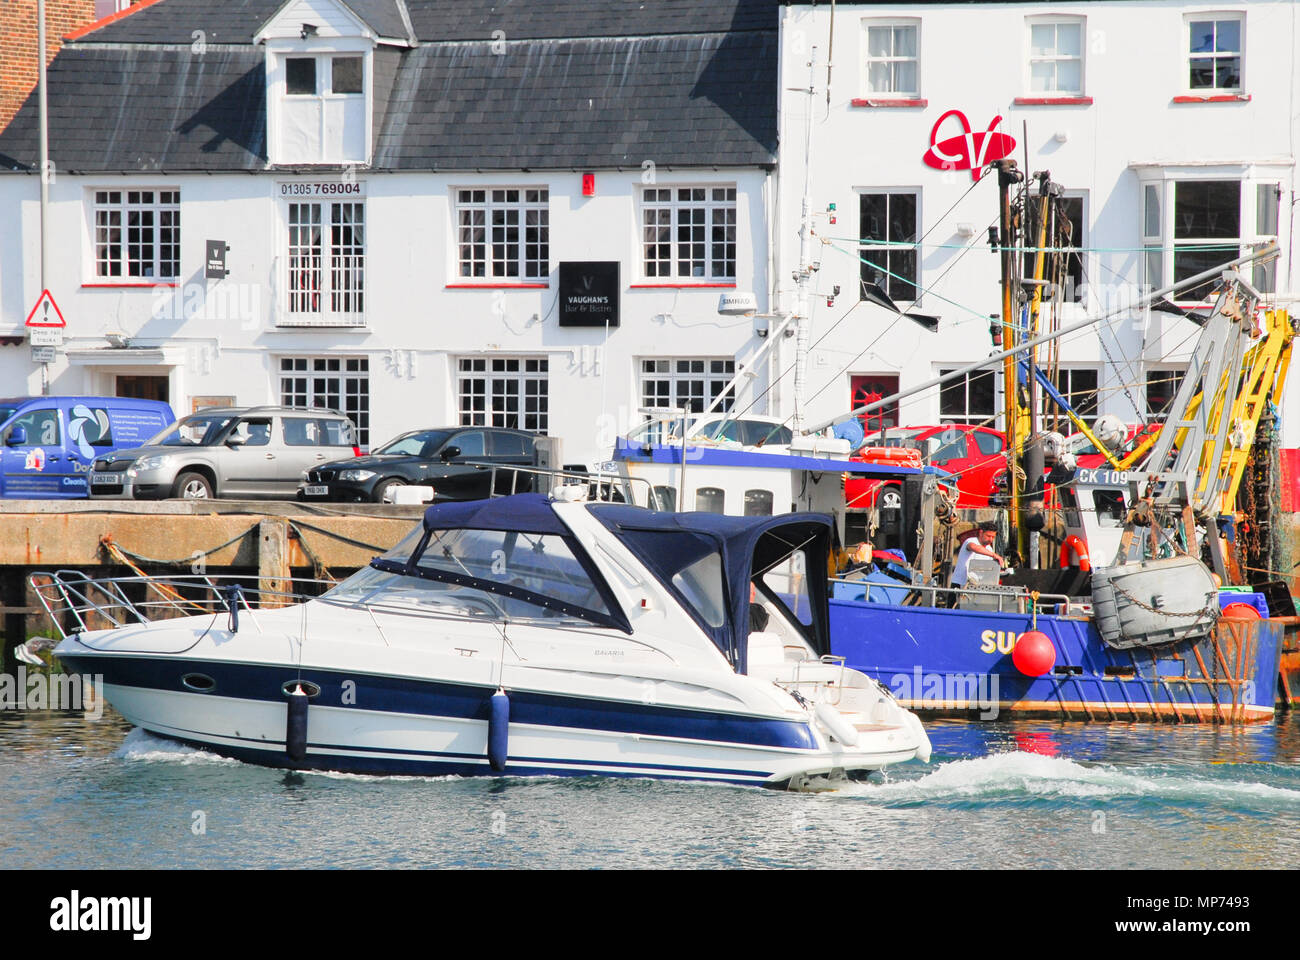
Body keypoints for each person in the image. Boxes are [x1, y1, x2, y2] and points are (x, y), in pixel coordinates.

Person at [950, 520, 1004, 589]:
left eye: (993, 537)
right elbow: (974, 547)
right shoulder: (970, 541)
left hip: (976, 586)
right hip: (960, 583)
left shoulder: (989, 549)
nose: (991, 539)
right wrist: (994, 555)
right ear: (981, 533)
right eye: (988, 536)